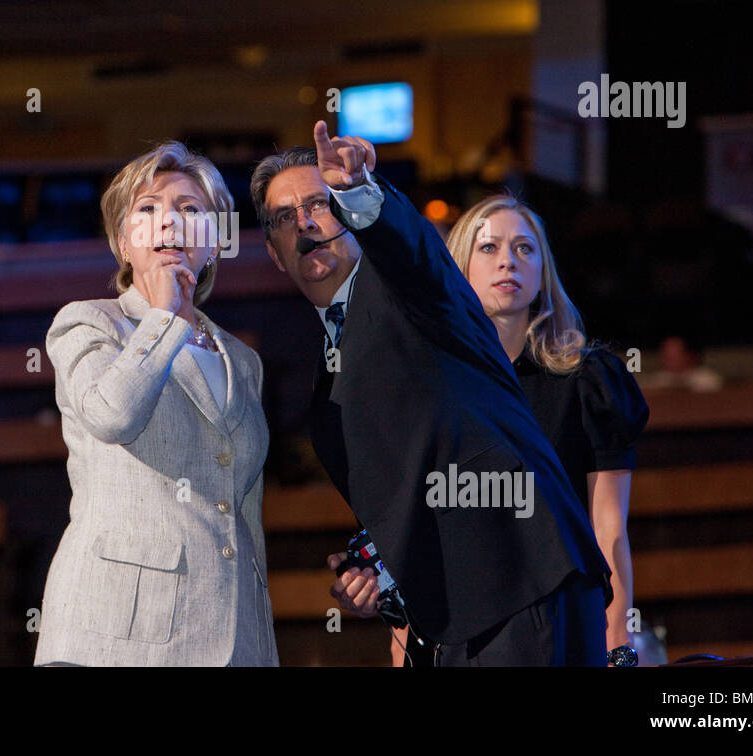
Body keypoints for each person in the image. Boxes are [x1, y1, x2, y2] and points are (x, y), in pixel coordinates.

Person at [251, 122, 613, 666]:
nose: (304, 221)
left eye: (319, 203)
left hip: (521, 582)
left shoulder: (406, 287)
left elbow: (412, 250)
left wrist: (357, 190)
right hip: (451, 618)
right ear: (276, 254)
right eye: (284, 217)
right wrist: (378, 566)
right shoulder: (325, 378)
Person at [341, 195, 648, 667]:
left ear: (544, 270)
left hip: (556, 614)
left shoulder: (587, 381)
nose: (508, 260)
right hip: (452, 626)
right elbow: (411, 532)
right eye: (489, 248)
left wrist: (617, 641)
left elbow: (608, 529)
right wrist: (402, 638)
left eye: (525, 248)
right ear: (457, 266)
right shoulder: (424, 384)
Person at [34, 141, 278, 666]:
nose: (169, 223)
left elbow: (243, 514)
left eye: (190, 210)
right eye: (147, 210)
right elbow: (112, 414)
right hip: (115, 635)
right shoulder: (90, 323)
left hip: (230, 637)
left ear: (214, 242)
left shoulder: (243, 359)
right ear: (124, 242)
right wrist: (163, 317)